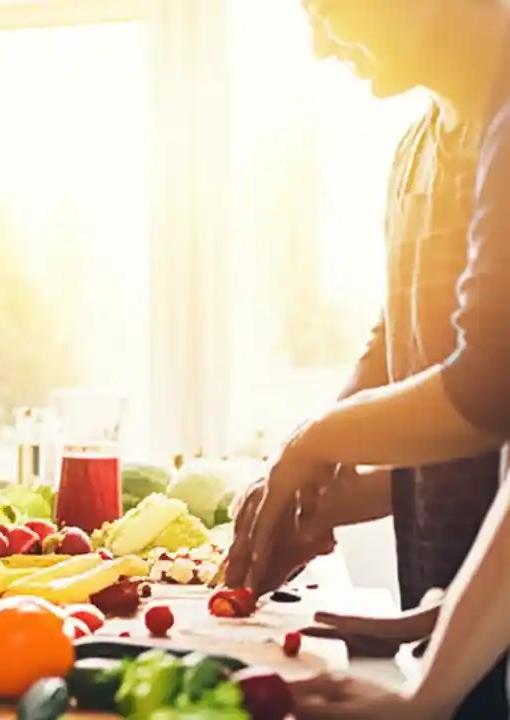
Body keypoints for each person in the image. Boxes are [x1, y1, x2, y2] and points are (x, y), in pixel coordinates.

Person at [223, 0, 510, 716]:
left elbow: (484, 392)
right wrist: (331, 480)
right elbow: (398, 341)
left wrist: (317, 443)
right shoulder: (418, 147)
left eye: (324, 7)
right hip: (465, 602)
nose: (320, 45)